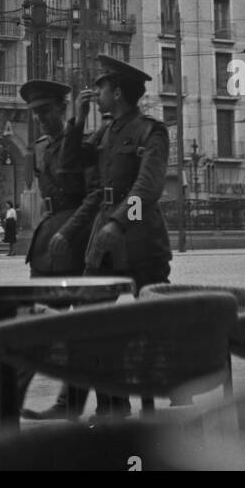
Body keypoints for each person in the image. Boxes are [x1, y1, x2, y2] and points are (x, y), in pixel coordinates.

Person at [47, 55, 171, 417]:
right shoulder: (105, 132)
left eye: (100, 87)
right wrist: (78, 121)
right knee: (88, 322)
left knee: (153, 325)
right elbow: (71, 170)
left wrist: (117, 224)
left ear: (117, 92)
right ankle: (111, 407)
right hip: (103, 244)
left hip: (142, 244)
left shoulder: (151, 131)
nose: (94, 91)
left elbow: (147, 189)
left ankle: (167, 395)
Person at [0, 79, 91, 420]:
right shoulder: (38, 148)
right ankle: (4, 395)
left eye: (46, 111)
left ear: (62, 109)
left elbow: (86, 189)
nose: (40, 119)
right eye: (35, 113)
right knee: (32, 321)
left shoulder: (81, 142)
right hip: (48, 242)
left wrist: (71, 230)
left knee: (81, 326)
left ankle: (69, 406)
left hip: (78, 240)